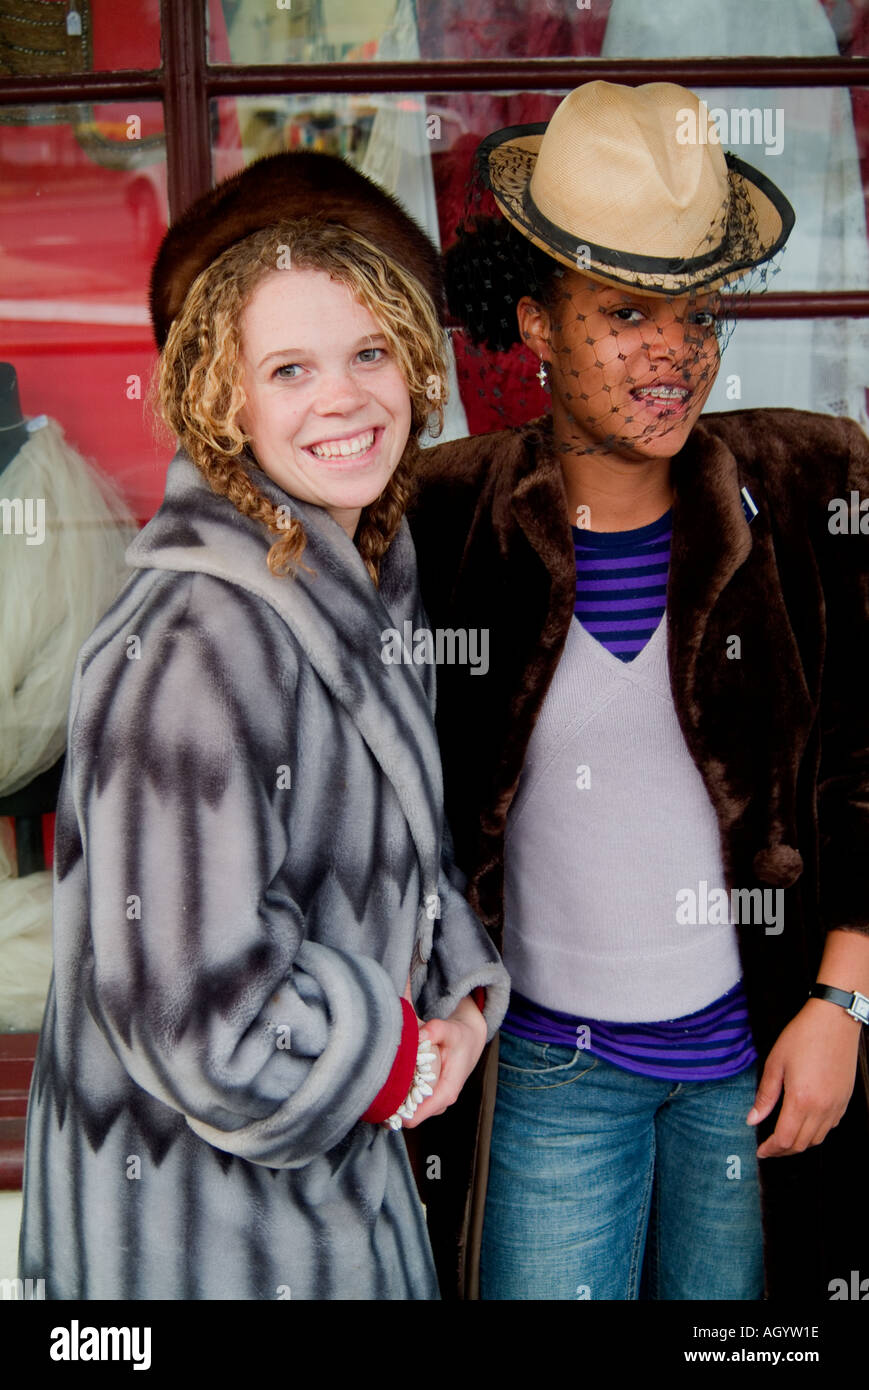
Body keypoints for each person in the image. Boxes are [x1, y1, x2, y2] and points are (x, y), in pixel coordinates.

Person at [17, 151, 509, 1301]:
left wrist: (459, 1005)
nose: (343, 399)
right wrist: (387, 1056)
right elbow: (197, 1013)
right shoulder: (198, 633)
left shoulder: (361, 564)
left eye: (370, 351)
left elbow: (405, 855)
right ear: (218, 396)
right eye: (289, 367)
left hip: (331, 1192)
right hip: (203, 1235)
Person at [407, 80, 869, 1300]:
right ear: (537, 324)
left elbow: (864, 766)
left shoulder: (810, 487)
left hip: (753, 1069)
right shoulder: (444, 519)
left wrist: (842, 997)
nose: (673, 348)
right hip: (551, 1073)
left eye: (695, 311)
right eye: (623, 311)